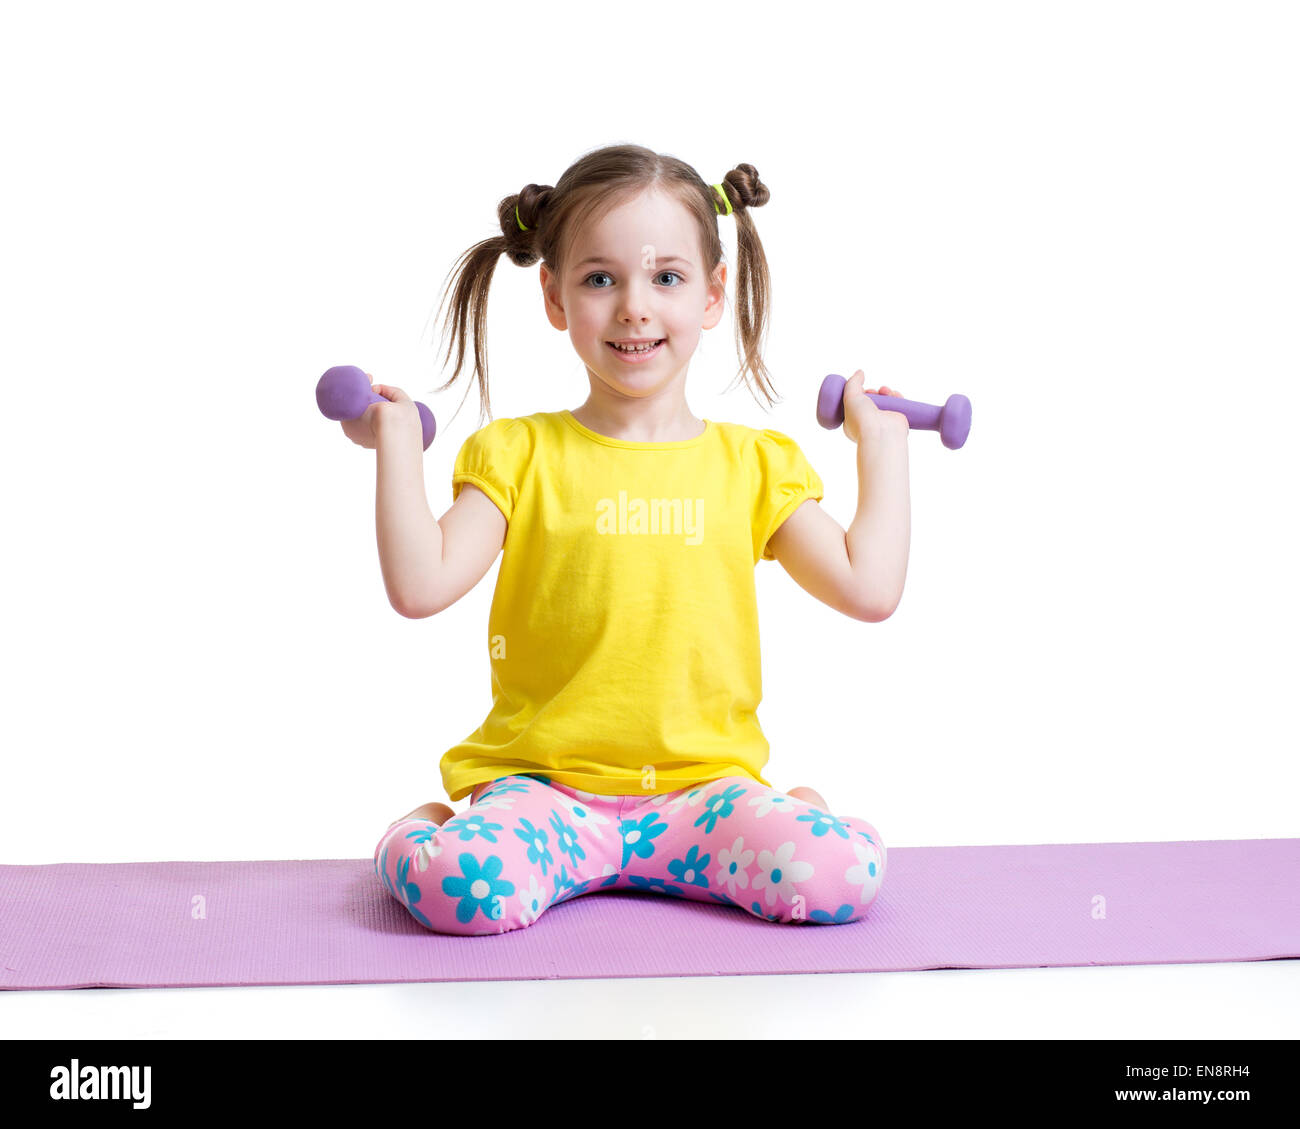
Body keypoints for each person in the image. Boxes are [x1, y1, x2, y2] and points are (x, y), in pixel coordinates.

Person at [352, 143, 910, 934]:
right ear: (554, 294)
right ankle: (424, 824)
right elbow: (420, 585)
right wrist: (398, 445)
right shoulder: (520, 455)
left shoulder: (752, 466)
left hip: (703, 799)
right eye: (600, 278)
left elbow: (869, 586)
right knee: (463, 894)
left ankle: (794, 811)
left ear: (715, 294)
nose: (634, 307)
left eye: (667, 277)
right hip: (547, 795)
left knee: (834, 878)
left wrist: (881, 447)